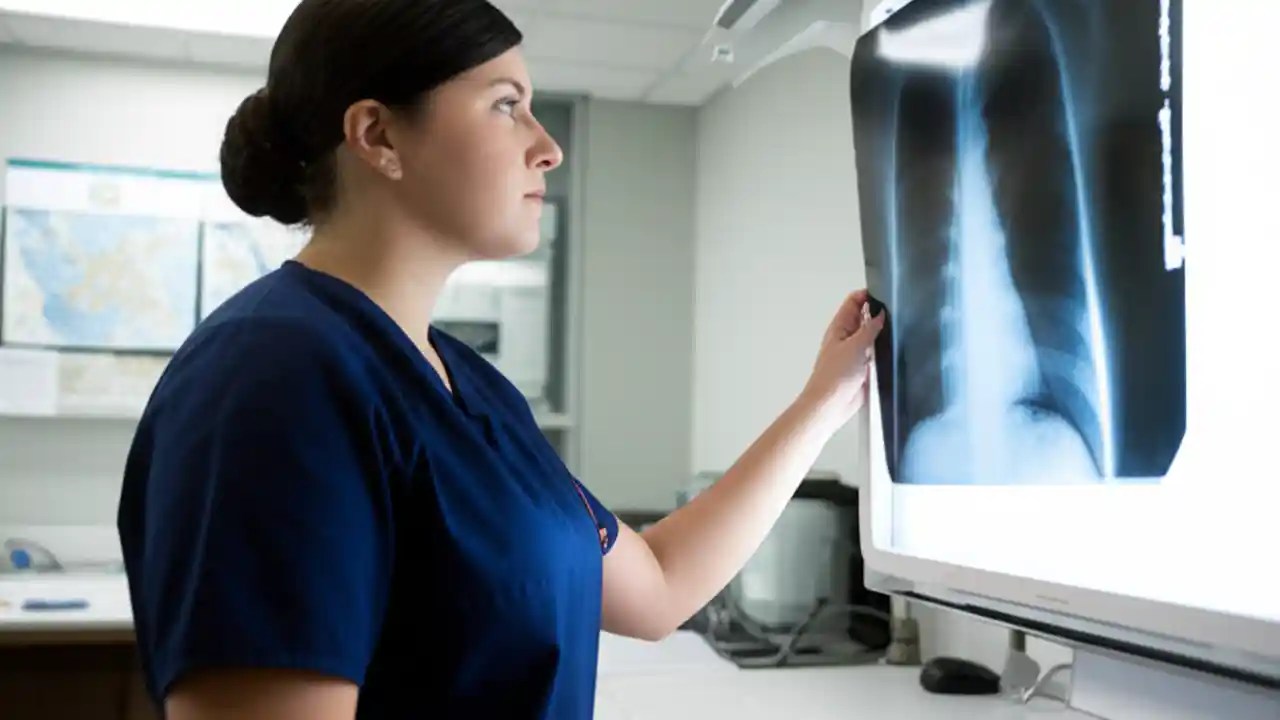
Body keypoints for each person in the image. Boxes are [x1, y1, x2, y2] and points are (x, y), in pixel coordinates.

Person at [115, 0, 885, 718]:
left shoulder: (468, 384)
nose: (548, 149)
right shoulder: (273, 377)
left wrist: (822, 404)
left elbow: (657, 587)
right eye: (506, 105)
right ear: (378, 136)